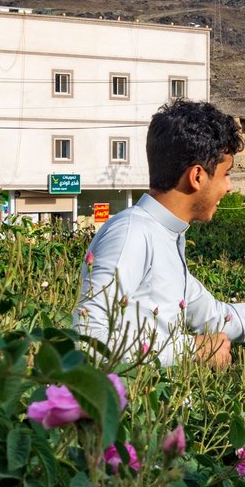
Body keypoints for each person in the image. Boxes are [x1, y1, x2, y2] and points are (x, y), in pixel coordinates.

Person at [73, 99, 245, 367]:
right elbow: (88, 342)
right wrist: (192, 350)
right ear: (197, 176)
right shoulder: (132, 234)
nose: (229, 187)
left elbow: (216, 316)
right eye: (226, 174)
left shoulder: (166, 236)